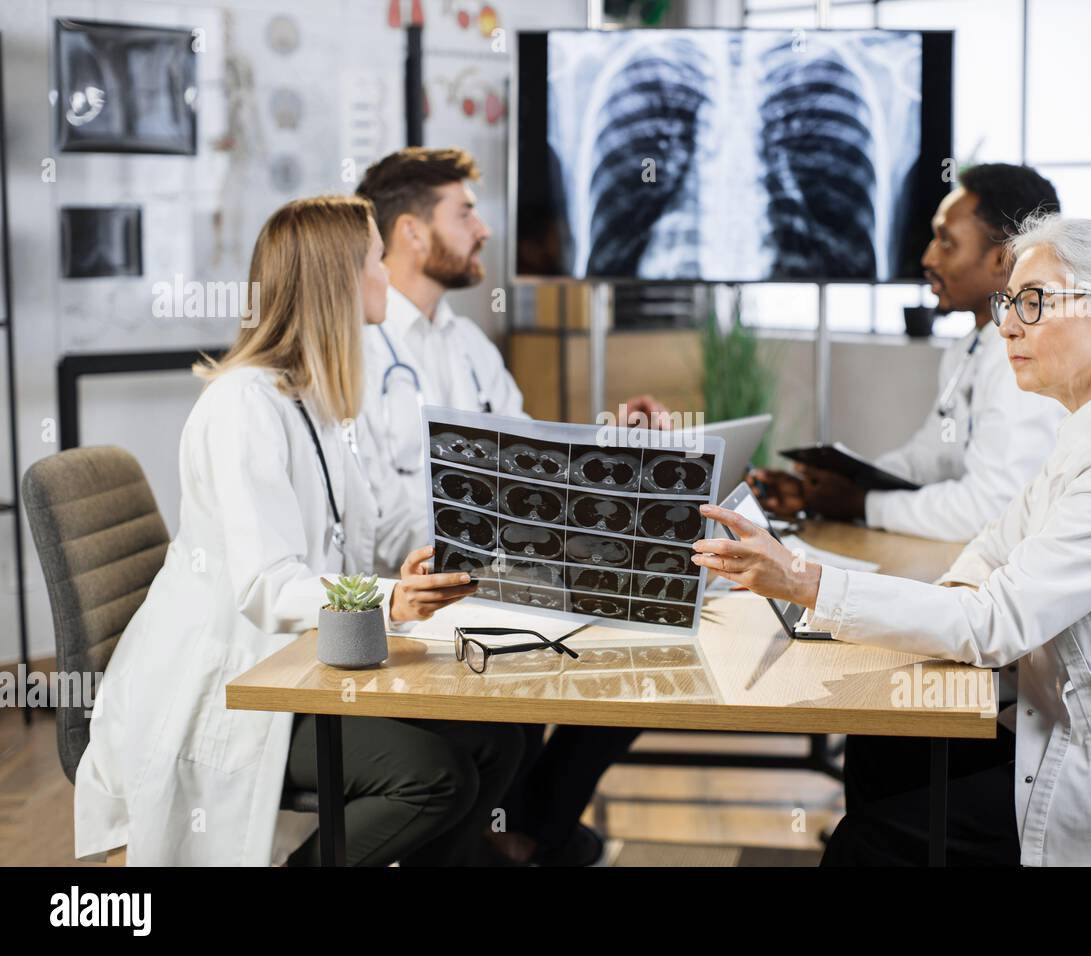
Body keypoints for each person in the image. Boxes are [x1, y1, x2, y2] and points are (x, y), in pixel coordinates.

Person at [694, 215, 1091, 865]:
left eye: (1035, 302)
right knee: (887, 745)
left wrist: (807, 583)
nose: (1008, 322)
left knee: (866, 845)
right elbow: (994, 543)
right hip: (1087, 724)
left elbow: (995, 624)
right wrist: (953, 601)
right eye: (1009, 301)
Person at [73, 196, 524, 866]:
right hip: (233, 686)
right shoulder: (242, 405)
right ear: (342, 279)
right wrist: (387, 601)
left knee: (498, 737)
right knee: (432, 776)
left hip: (300, 663)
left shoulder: (315, 400)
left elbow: (353, 543)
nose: (387, 274)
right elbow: (267, 584)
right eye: (376, 259)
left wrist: (405, 577)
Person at [355, 147, 655, 866]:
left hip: (495, 567)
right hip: (414, 594)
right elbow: (380, 522)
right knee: (565, 660)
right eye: (464, 212)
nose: (484, 229)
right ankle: (511, 840)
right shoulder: (361, 349)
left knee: (641, 655)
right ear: (412, 234)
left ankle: (521, 835)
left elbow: (529, 468)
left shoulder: (467, 344)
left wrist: (611, 452)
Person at [751, 164, 1065, 542]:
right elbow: (931, 457)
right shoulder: (969, 349)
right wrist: (830, 489)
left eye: (946, 242)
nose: (929, 258)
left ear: (1003, 258)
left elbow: (992, 508)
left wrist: (864, 504)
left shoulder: (1025, 356)